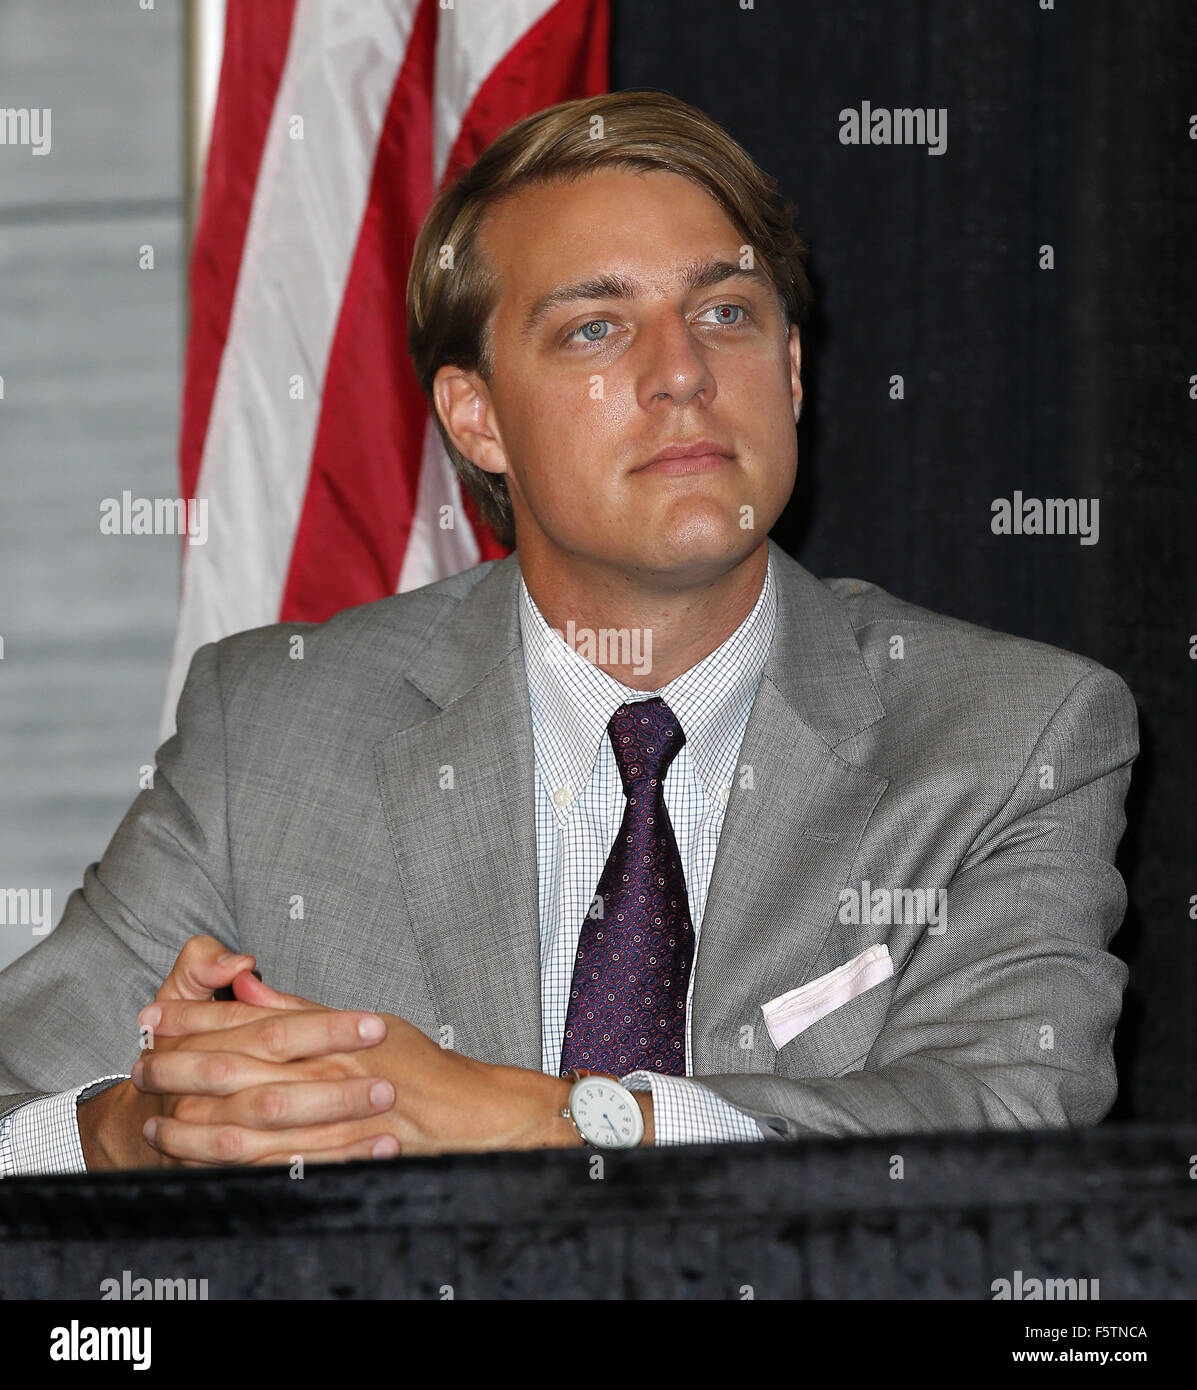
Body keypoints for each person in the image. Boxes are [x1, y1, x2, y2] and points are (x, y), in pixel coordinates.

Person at [0, 90, 1137, 1174]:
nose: (683, 372)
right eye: (597, 329)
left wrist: (550, 1121)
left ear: (792, 371)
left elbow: (1007, 1120)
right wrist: (136, 1132)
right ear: (477, 417)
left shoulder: (1011, 735)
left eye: (726, 313)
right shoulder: (270, 732)